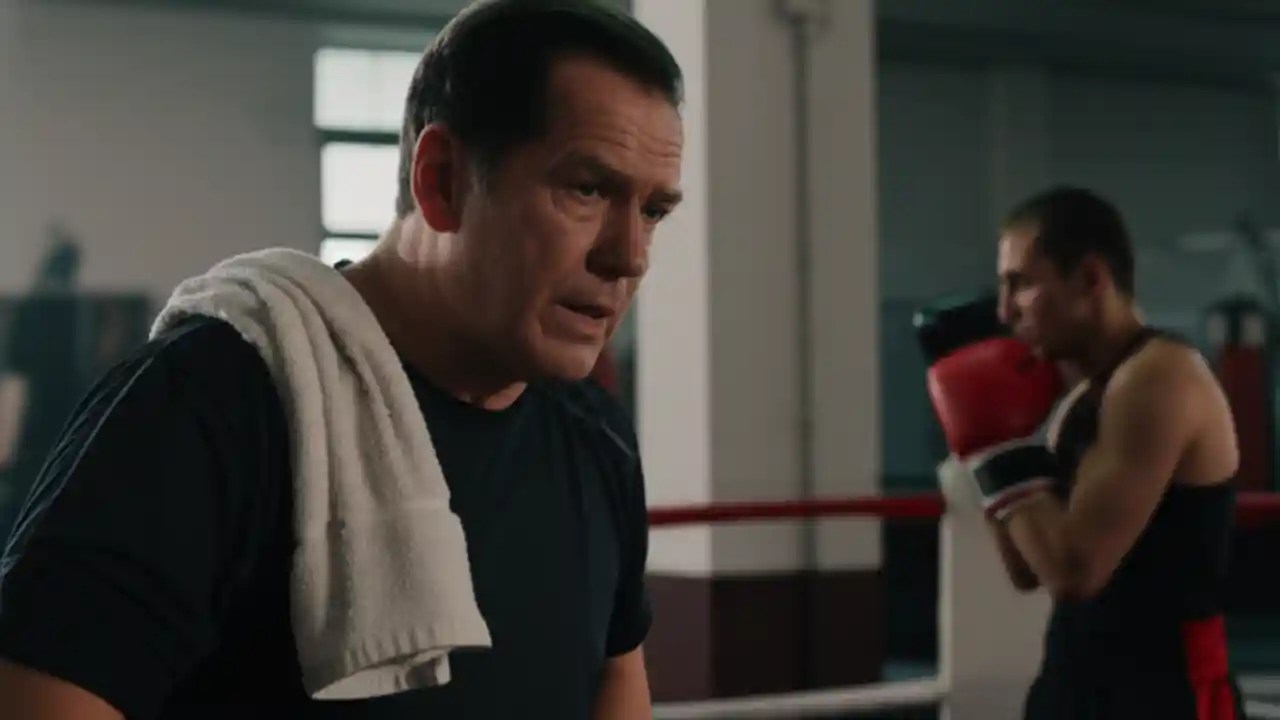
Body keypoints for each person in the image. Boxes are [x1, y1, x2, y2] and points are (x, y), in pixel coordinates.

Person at [0, 1, 684, 718]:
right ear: (443, 181)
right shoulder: (212, 402)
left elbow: (614, 680)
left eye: (653, 211)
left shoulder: (595, 436)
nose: (629, 256)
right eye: (587, 189)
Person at [921, 187, 1243, 719]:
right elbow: (1028, 567)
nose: (1005, 311)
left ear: (1090, 278)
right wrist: (979, 444)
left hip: (1163, 694)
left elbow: (1075, 572)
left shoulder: (1160, 378)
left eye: (1022, 284)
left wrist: (998, 448)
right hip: (1074, 682)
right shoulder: (1079, 399)